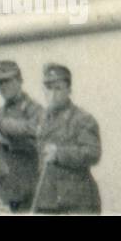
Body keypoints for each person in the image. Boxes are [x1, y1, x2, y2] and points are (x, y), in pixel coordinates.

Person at [33, 63, 101, 214]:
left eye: (58, 88)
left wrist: (59, 153)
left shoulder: (82, 119)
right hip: (47, 200)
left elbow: (93, 152)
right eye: (48, 88)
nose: (52, 94)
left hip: (76, 201)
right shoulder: (42, 118)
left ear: (69, 90)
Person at [0, 60, 43, 213]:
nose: (2, 87)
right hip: (4, 188)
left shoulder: (34, 109)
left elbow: (35, 131)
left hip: (28, 187)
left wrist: (0, 126)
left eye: (7, 81)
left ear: (19, 80)